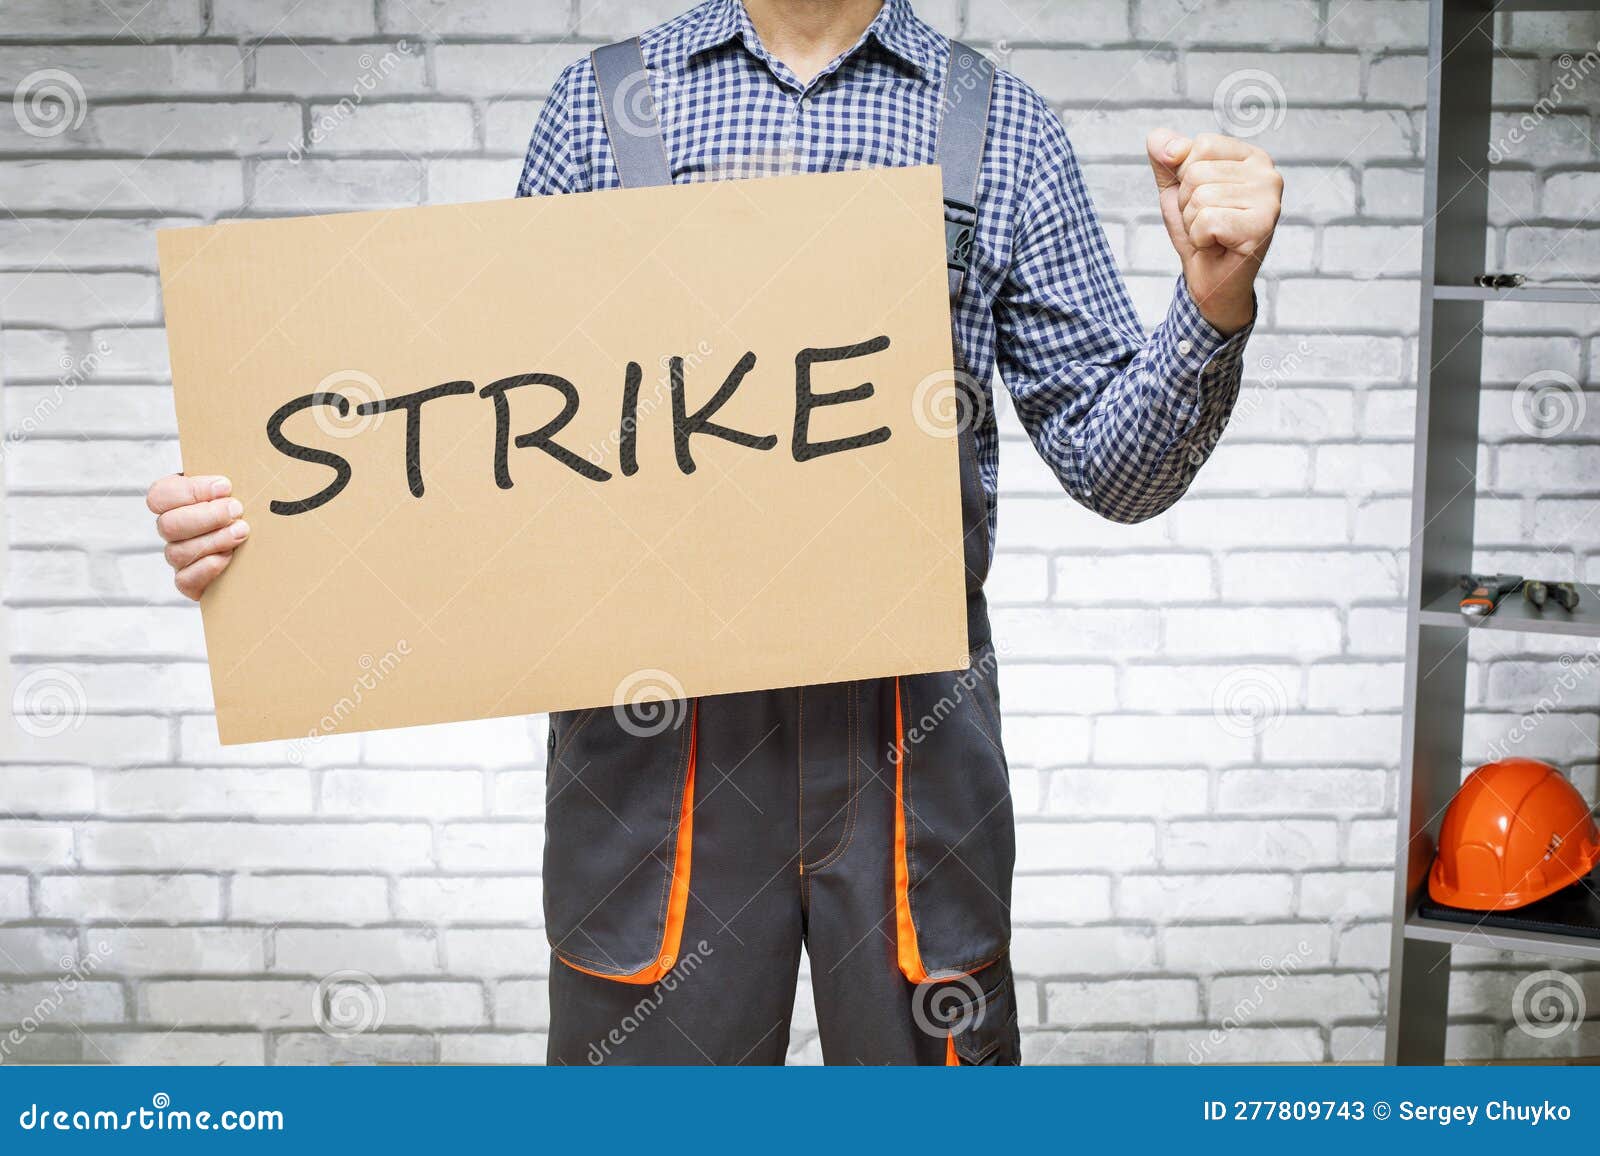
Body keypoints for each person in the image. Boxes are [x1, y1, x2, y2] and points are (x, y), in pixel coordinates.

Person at [145, 0, 1281, 1065]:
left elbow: (1114, 469)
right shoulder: (599, 108)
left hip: (909, 741)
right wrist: (274, 539)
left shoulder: (1002, 127)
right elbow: (486, 449)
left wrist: (1211, 305)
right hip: (653, 743)